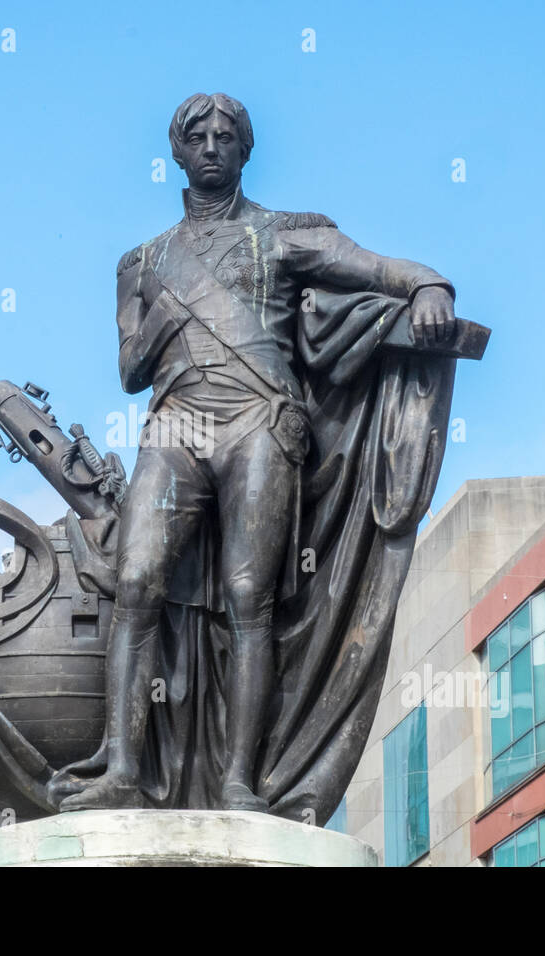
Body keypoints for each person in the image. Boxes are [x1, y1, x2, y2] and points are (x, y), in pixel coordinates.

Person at [58, 93, 457, 813]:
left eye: (226, 135)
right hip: (177, 422)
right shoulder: (141, 260)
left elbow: (373, 268)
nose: (212, 145)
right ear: (176, 154)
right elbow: (129, 372)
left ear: (245, 151)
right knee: (139, 576)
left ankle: (241, 778)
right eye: (197, 136)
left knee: (251, 597)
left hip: (260, 421)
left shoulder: (282, 236)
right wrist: (166, 307)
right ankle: (121, 767)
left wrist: (431, 284)